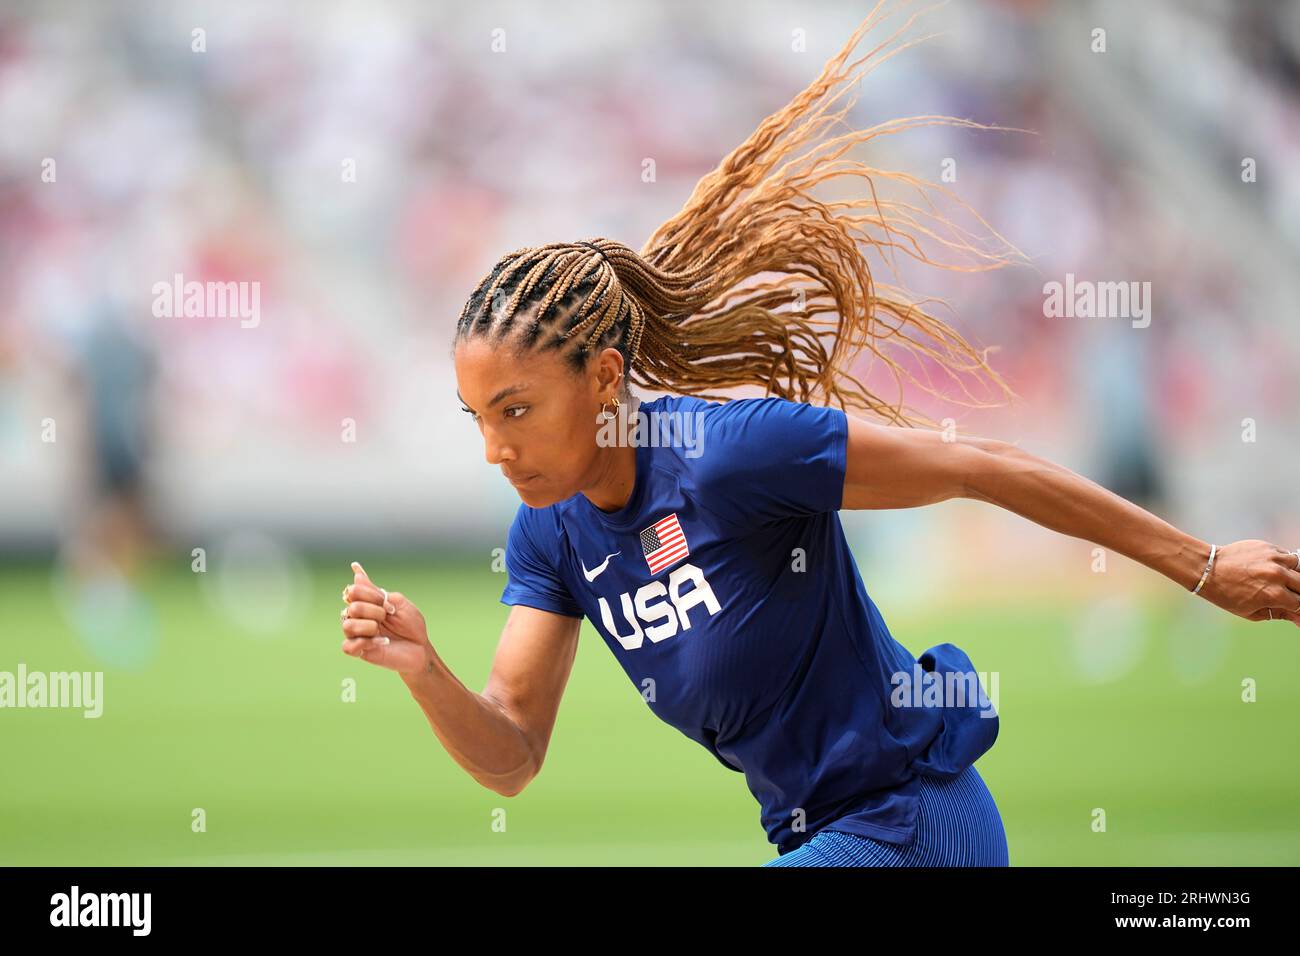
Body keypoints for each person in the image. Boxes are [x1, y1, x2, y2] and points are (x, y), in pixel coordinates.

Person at [337, 6, 1300, 866]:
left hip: (911, 821)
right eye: (478, 419)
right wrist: (425, 671)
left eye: (515, 411)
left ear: (602, 378)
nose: (495, 449)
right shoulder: (550, 533)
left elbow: (981, 466)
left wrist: (1203, 566)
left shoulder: (733, 456)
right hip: (821, 834)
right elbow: (512, 753)